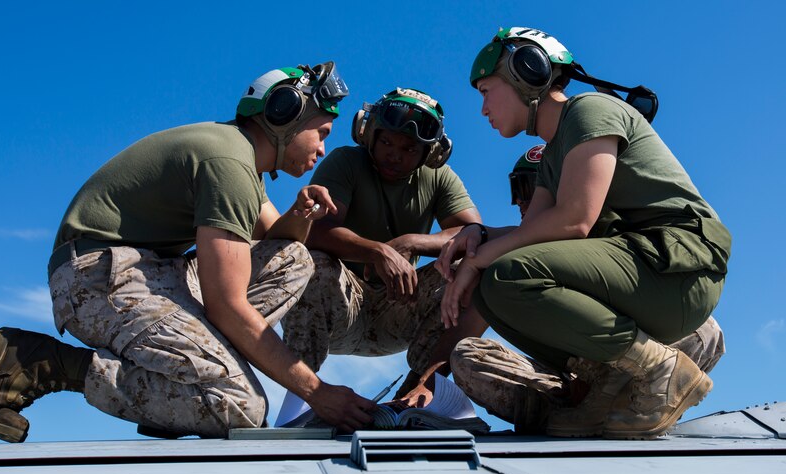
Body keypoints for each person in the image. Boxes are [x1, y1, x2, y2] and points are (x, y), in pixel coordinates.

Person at [0, 62, 377, 443]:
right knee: (240, 406)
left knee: (294, 259)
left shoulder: (238, 158)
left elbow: (276, 241)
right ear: (286, 115)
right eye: (322, 133)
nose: (323, 150)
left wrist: (300, 215)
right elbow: (227, 305)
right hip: (97, 278)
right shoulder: (227, 163)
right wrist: (317, 392)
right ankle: (44, 363)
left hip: (145, 270)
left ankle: (184, 386)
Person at [437, 27, 731, 440]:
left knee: (507, 273)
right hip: (646, 270)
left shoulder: (590, 111)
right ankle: (605, 380)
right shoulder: (553, 155)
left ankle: (661, 368)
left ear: (527, 72)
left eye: (486, 91)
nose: (483, 108)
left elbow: (574, 220)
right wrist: (478, 240)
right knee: (492, 288)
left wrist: (481, 258)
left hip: (680, 273)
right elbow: (533, 232)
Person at [451, 145, 727, 434]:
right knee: (469, 357)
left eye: (532, 189)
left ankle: (611, 399)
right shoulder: (516, 251)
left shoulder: (608, 239)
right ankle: (586, 404)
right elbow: (508, 238)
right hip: (567, 373)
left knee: (705, 332)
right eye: (517, 190)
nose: (521, 202)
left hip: (632, 357)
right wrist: (479, 233)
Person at [280, 87, 487, 408]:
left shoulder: (439, 177)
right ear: (369, 132)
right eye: (387, 142)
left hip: (400, 306)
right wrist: (377, 252)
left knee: (474, 268)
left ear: (430, 153)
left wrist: (409, 243)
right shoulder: (346, 161)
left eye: (409, 148)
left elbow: (474, 233)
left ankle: (417, 397)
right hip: (340, 305)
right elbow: (316, 231)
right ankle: (298, 403)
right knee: (311, 263)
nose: (395, 155)